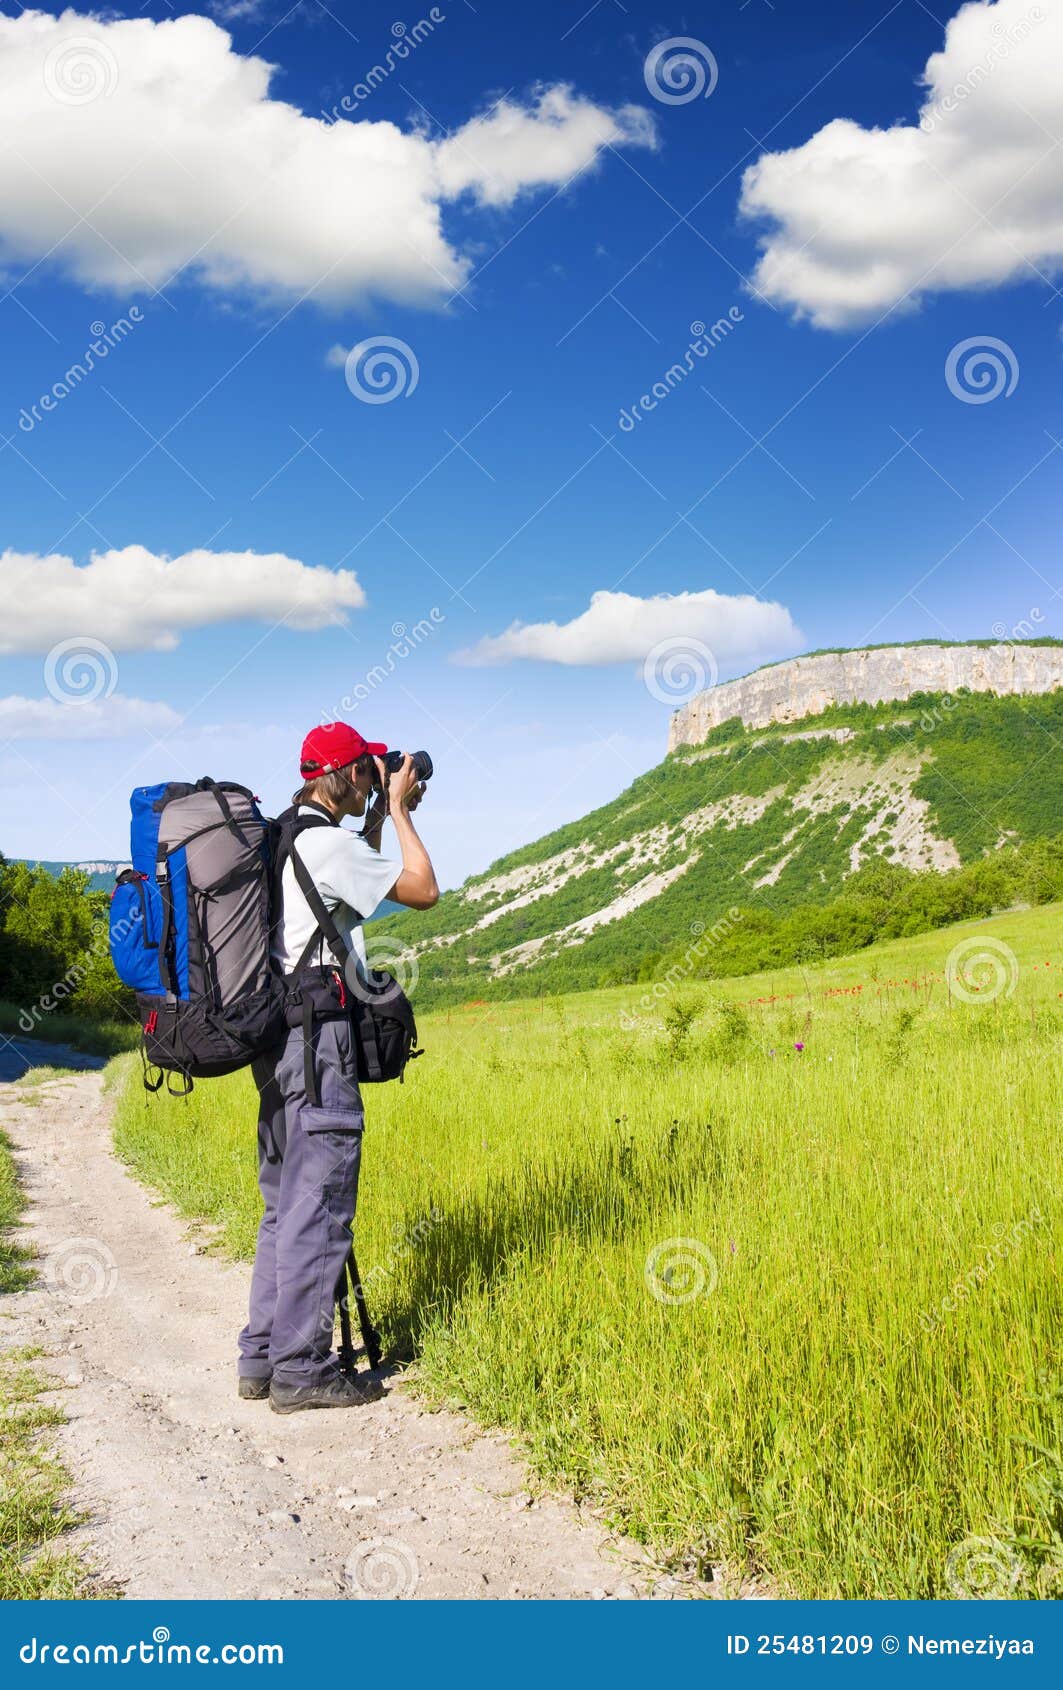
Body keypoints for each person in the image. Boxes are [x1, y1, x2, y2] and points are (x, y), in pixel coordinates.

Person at [238, 722, 439, 1413]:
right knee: (319, 1204)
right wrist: (404, 812)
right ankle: (302, 1370)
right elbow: (420, 890)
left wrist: (377, 819)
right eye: (368, 772)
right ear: (347, 772)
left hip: (275, 1041)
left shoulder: (284, 841)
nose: (375, 781)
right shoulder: (326, 844)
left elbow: (348, 903)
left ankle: (262, 1356)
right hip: (317, 1043)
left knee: (283, 1202)